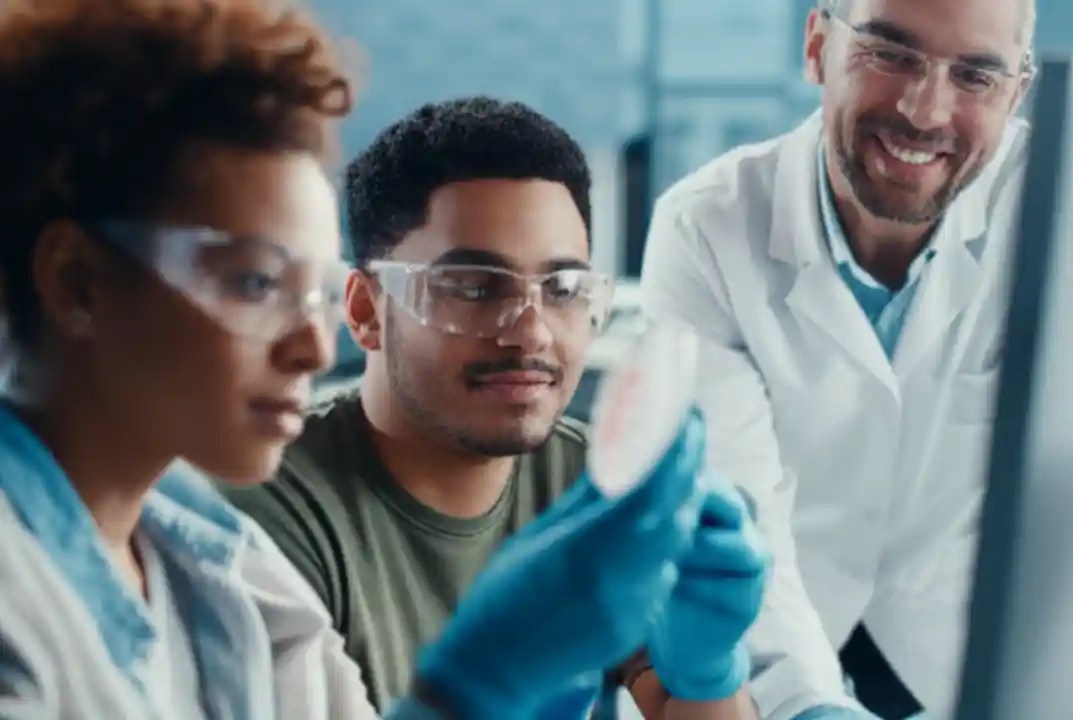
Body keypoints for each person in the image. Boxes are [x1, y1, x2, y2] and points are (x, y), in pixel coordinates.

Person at [0, 2, 721, 718]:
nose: (313, 348)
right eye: (253, 282)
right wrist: (467, 694)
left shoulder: (225, 571)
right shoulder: (28, 595)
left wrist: (705, 668)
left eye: (307, 292)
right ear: (77, 281)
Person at [223, 96, 767, 719]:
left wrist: (704, 671)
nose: (531, 333)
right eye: (475, 288)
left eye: (563, 289)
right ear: (366, 310)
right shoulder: (265, 520)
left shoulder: (593, 483)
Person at [639, 0, 1036, 718]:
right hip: (772, 666)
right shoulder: (705, 227)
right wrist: (811, 707)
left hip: (966, 671)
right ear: (818, 46)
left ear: (1016, 94)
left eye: (976, 75)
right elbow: (731, 513)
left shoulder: (1056, 211)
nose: (925, 110)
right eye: (891, 54)